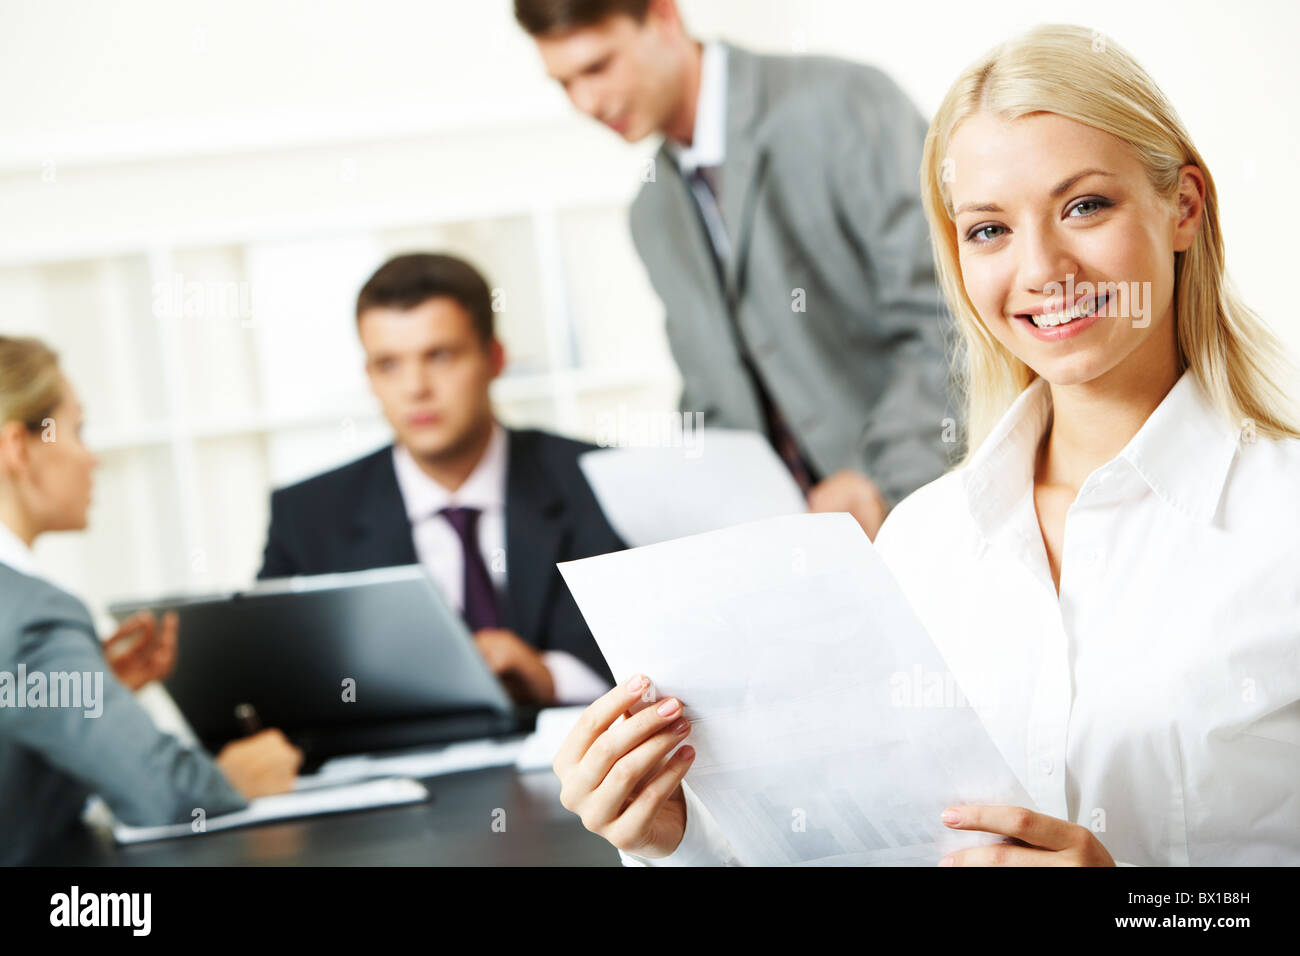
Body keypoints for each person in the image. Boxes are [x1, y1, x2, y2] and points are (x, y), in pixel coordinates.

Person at [552, 24, 1300, 866]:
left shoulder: (1283, 521)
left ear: (1184, 208)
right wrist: (674, 840)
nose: (1042, 268)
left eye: (1084, 206)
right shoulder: (922, 545)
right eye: (989, 230)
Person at [514, 0, 957, 539]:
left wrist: (883, 478)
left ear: (664, 20)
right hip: (795, 554)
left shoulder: (843, 102)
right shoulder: (652, 213)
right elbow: (713, 395)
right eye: (564, 83)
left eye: (598, 66)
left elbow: (950, 314)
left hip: (933, 511)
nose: (586, 101)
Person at [258, 253, 624, 706]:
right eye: (389, 364)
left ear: (494, 359)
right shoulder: (308, 517)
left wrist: (548, 677)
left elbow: (657, 650)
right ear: (369, 377)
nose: (415, 388)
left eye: (440, 356)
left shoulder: (601, 481)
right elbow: (271, 686)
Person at [0, 336, 302, 865]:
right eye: (78, 431)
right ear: (18, 449)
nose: (92, 458)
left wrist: (95, 691)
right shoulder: (32, 615)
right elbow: (165, 795)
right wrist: (233, 776)